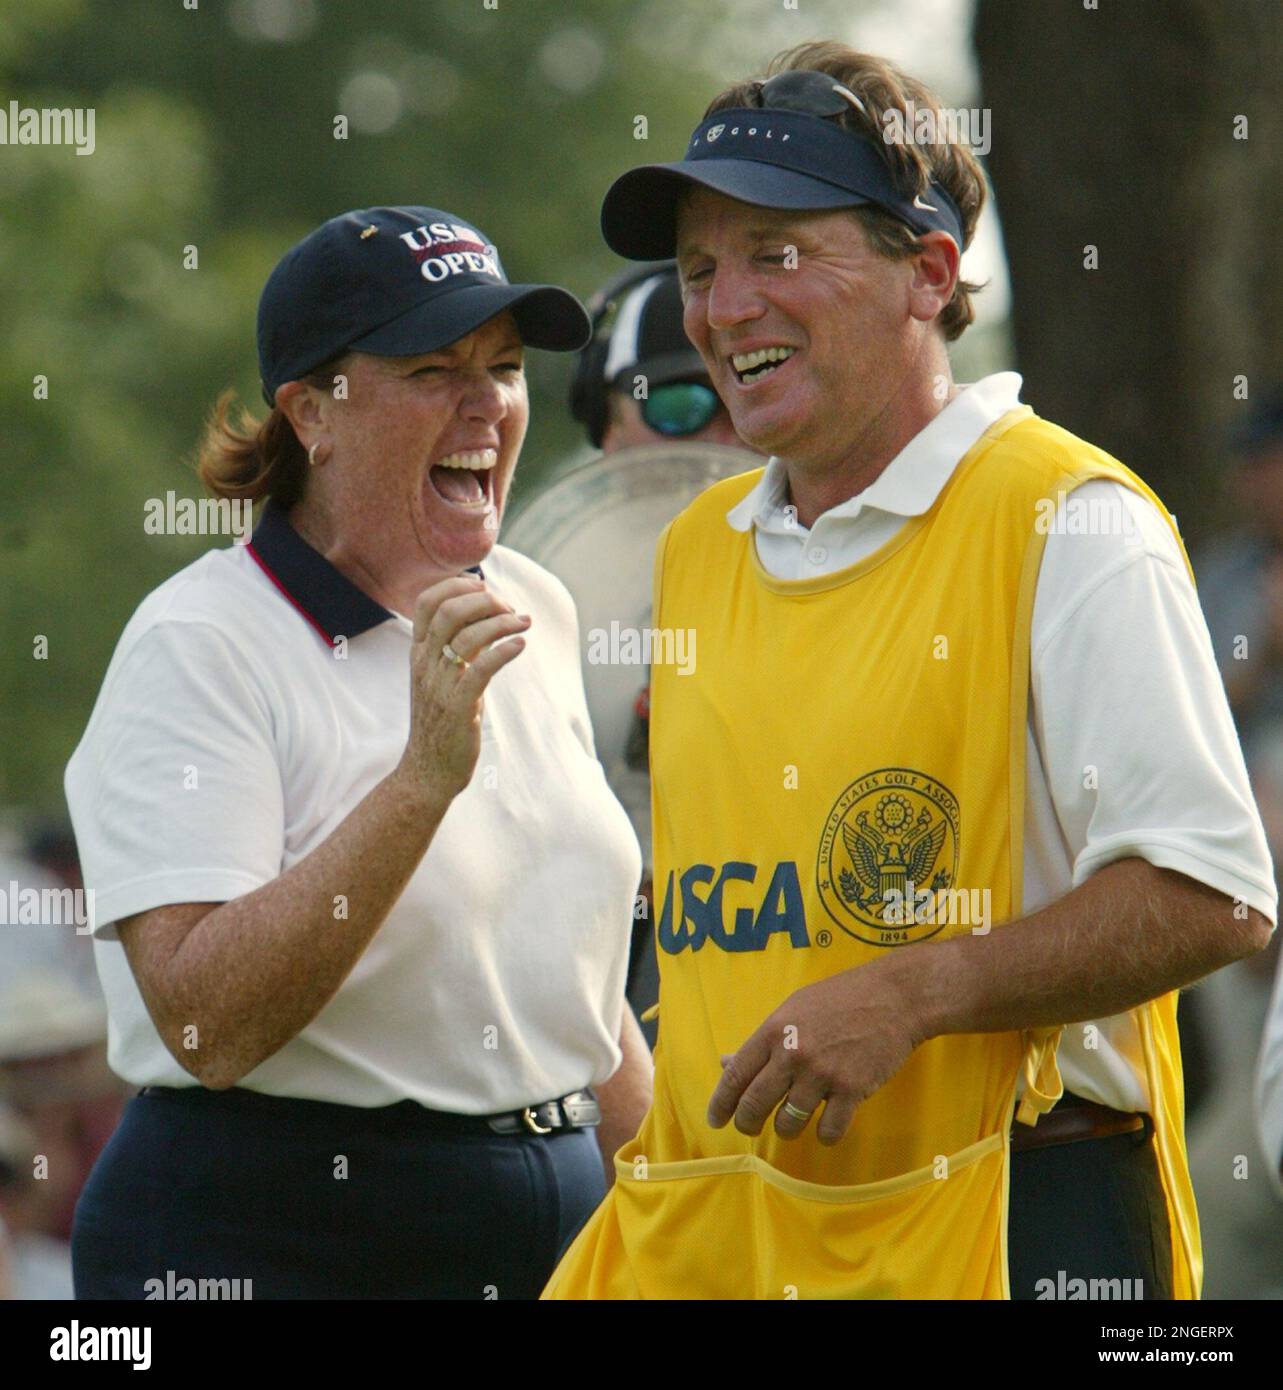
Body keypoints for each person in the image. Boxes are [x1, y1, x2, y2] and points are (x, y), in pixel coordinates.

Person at [543, 42, 1276, 1301]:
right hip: (734, 1237)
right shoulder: (692, 552)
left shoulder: (1068, 520)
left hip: (1017, 1219)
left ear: (926, 273)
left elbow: (1212, 893)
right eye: (700, 268)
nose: (721, 310)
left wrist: (917, 991)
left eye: (776, 255)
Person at [64, 205, 651, 1300]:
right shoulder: (199, 642)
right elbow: (203, 1019)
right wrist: (421, 781)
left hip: (555, 1235)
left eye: (506, 367)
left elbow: (567, 993)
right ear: (312, 413)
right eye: (434, 369)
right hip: (274, 1237)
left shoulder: (539, 605)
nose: (487, 404)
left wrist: (680, 1199)